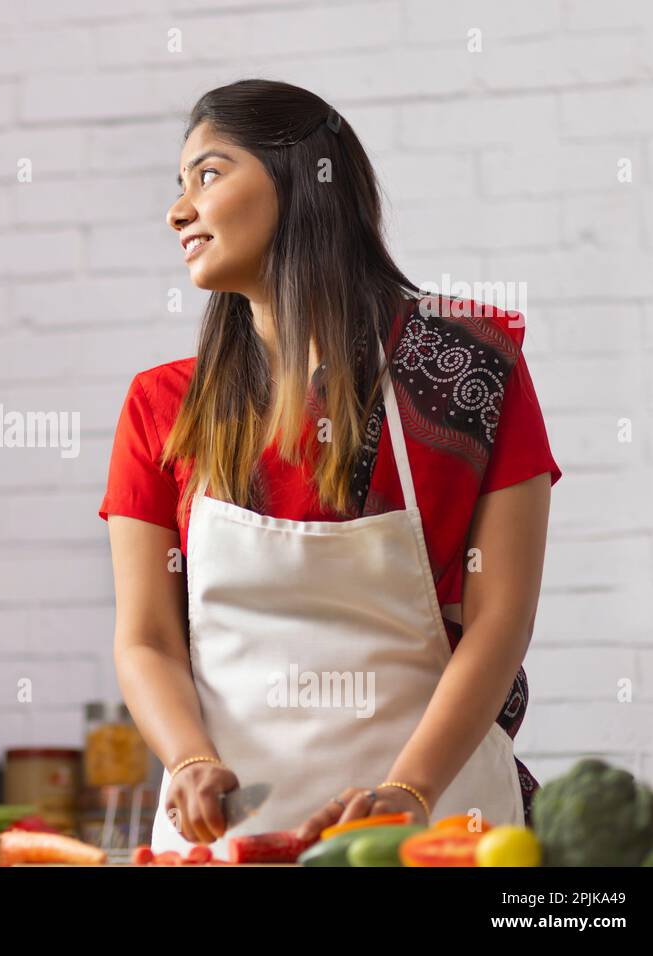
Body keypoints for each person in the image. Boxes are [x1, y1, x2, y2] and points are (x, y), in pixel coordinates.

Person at [100, 79, 561, 855]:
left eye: (208, 174)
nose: (178, 211)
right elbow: (146, 638)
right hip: (229, 832)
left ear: (302, 176)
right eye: (178, 185)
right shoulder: (162, 406)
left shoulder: (470, 370)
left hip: (436, 823)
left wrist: (409, 791)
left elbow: (499, 622)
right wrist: (188, 757)